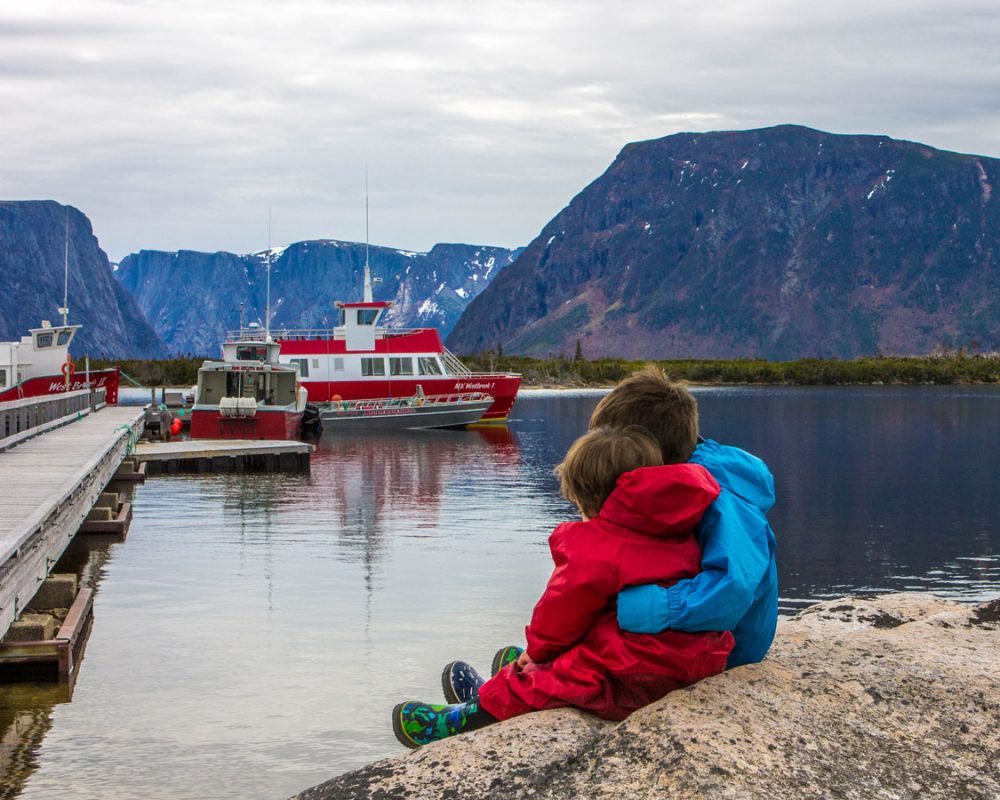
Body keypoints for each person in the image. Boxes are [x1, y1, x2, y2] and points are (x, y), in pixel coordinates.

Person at [392, 425, 734, 748]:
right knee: (594, 639)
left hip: (640, 674)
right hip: (695, 659)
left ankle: (470, 716)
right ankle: (501, 686)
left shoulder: (600, 545)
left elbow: (559, 617)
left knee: (549, 679)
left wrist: (536, 653)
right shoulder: (678, 525)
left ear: (588, 500)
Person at [589, 366, 779, 669]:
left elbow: (736, 586)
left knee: (607, 646)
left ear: (647, 452)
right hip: (704, 635)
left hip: (730, 648)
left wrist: (655, 606)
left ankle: (537, 675)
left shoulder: (720, 495)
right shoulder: (686, 481)